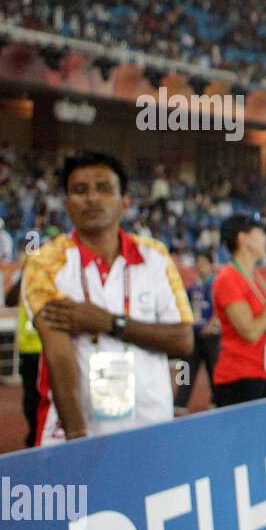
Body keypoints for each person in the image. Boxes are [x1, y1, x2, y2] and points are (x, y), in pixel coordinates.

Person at [22, 151, 194, 445]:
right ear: (66, 204)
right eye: (80, 190)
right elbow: (59, 355)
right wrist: (78, 439)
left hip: (151, 424)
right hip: (78, 432)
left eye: (104, 188)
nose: (92, 198)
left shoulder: (155, 257)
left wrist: (109, 322)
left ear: (125, 201)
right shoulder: (46, 262)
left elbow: (182, 340)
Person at [210, 214, 266, 407]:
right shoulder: (228, 278)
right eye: (261, 233)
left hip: (264, 370)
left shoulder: (258, 277)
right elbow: (251, 333)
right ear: (242, 238)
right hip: (239, 378)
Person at [173, 249, 221, 413]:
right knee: (185, 367)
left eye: (203, 263)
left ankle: (217, 400)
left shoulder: (215, 285)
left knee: (213, 369)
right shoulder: (192, 287)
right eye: (198, 263)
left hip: (211, 335)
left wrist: (211, 325)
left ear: (210, 265)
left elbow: (219, 308)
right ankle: (179, 402)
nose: (200, 267)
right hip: (194, 334)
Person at [4, 256, 43, 446]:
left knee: (47, 395)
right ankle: (33, 434)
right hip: (29, 349)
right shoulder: (24, 283)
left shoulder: (49, 281)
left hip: (48, 348)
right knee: (30, 396)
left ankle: (43, 433)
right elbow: (9, 300)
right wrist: (23, 276)